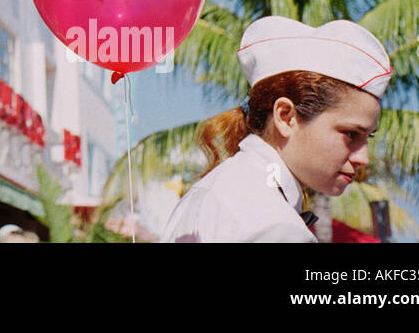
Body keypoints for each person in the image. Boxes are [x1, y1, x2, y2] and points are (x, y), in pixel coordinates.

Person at [160, 16, 391, 243]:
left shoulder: (212, 193)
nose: (364, 158)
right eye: (351, 134)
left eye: (367, 137)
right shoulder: (276, 226)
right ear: (285, 117)